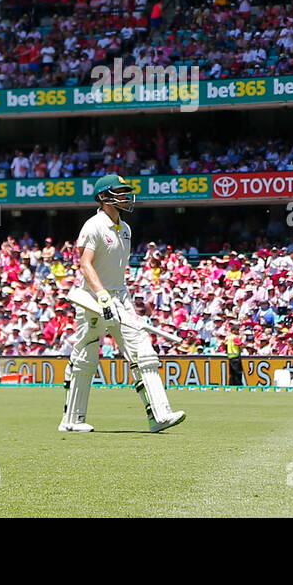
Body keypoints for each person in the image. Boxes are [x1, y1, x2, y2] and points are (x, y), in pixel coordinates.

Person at [59, 172, 185, 434]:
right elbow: (85, 264)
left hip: (120, 297)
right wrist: (102, 295)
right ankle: (72, 420)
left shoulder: (125, 228)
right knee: (85, 357)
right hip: (94, 299)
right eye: (121, 192)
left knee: (143, 351)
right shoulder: (93, 225)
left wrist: (114, 297)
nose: (127, 197)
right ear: (104, 197)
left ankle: (159, 416)